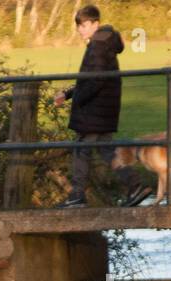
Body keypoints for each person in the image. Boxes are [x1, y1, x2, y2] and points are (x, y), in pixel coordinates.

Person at [53, 6, 147, 208]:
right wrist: (68, 93)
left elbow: (94, 81)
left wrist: (78, 99)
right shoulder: (104, 43)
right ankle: (135, 184)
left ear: (95, 24)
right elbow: (88, 79)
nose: (80, 29)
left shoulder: (98, 45)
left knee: (81, 149)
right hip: (104, 108)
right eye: (79, 26)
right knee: (106, 150)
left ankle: (77, 196)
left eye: (84, 25)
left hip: (94, 109)